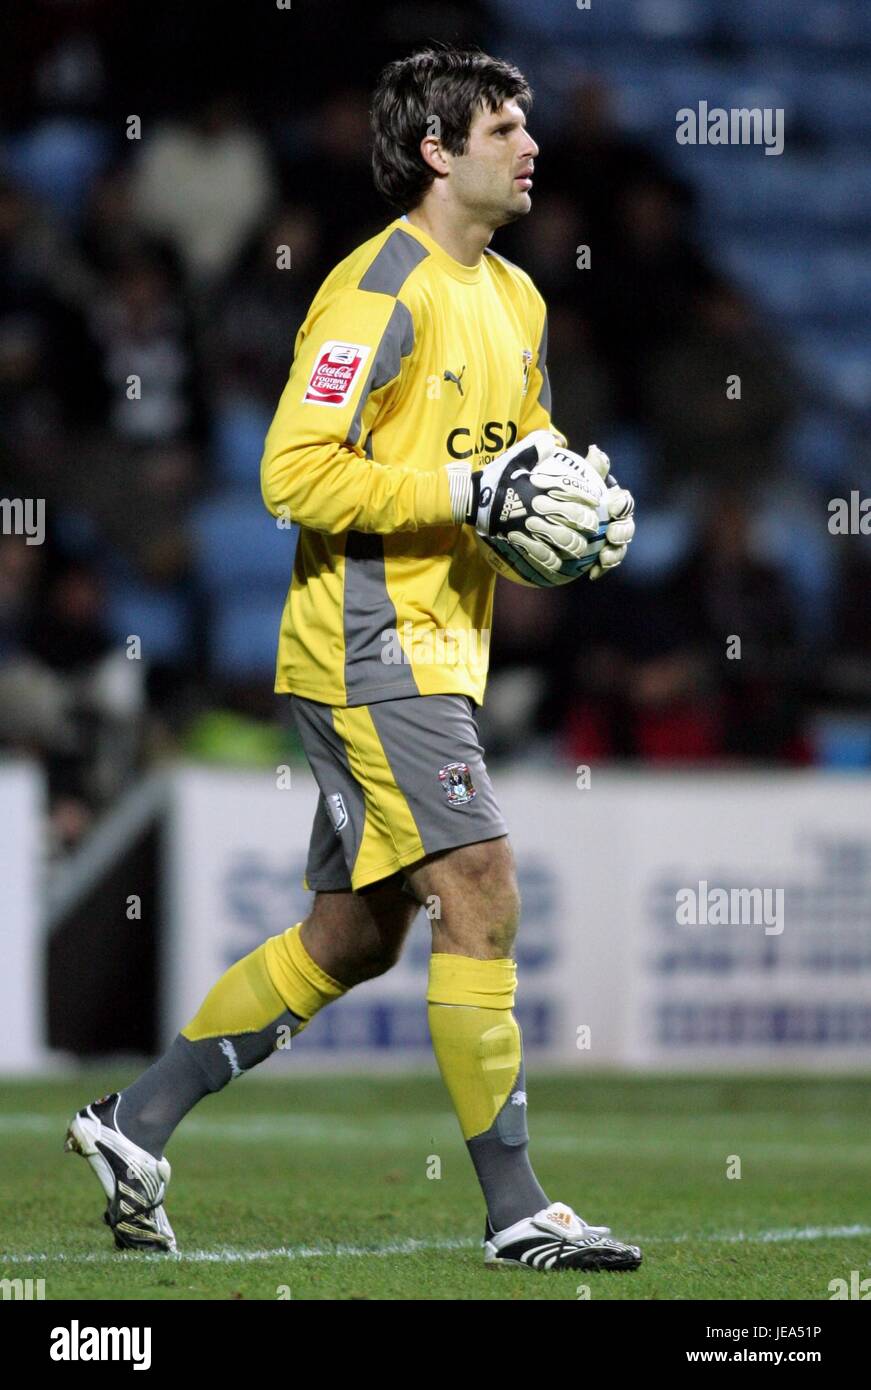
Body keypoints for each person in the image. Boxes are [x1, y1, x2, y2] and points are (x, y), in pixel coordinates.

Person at [66, 46, 638, 1274]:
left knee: (354, 934)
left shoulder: (519, 298)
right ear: (437, 151)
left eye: (526, 124)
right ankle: (518, 1208)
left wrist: (581, 507)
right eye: (503, 127)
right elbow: (291, 474)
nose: (530, 145)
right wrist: (469, 485)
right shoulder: (375, 290)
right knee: (478, 880)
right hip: (372, 643)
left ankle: (133, 1123)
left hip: (445, 645)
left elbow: (515, 462)